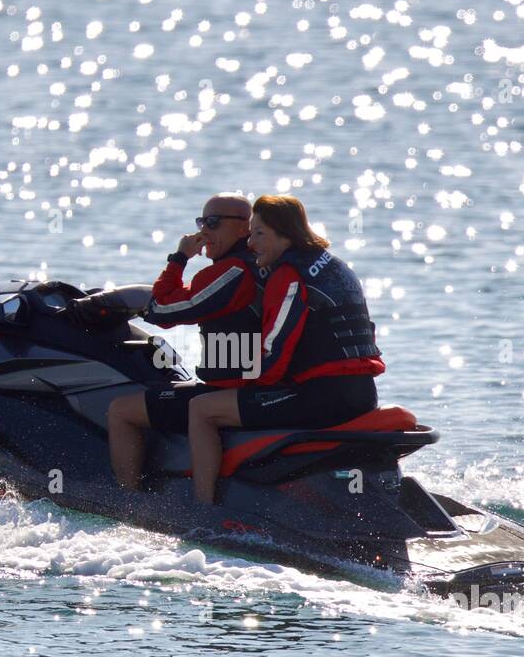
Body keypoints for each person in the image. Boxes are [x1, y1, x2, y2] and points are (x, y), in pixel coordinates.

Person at [186, 195, 384, 504]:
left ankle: (202, 508)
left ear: (286, 235)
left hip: (323, 398)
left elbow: (272, 356)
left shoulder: (289, 276)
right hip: (363, 393)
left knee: (202, 409)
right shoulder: (333, 265)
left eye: (260, 234)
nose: (251, 243)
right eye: (250, 233)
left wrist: (234, 385)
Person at [107, 194, 262, 490]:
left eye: (214, 222)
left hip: (231, 391)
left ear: (245, 228)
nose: (204, 231)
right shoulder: (259, 266)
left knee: (121, 411)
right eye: (201, 222)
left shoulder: (230, 272)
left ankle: (128, 503)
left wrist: (178, 259)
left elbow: (160, 311)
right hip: (248, 386)